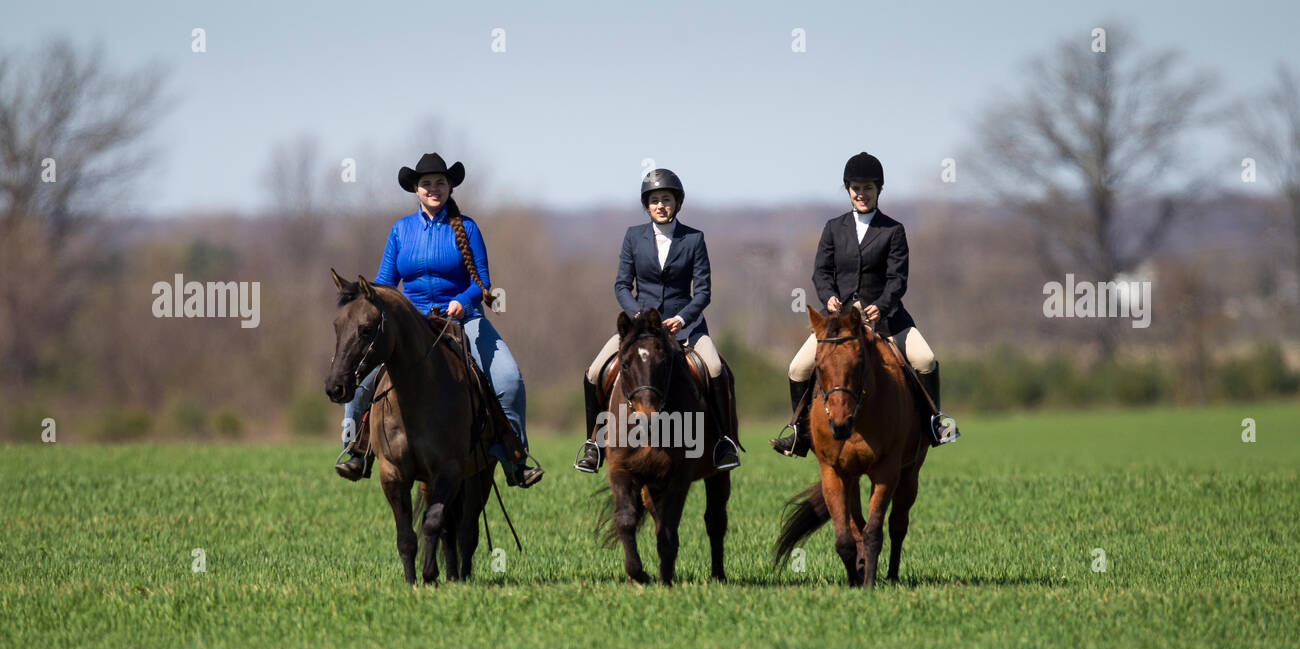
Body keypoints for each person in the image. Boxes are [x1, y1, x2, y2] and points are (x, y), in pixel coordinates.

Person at [335, 152, 542, 487]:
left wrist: (461, 301)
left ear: (449, 187)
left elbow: (482, 283)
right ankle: (355, 451)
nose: (434, 189)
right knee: (361, 376)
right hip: (410, 323)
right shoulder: (400, 230)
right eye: (426, 184)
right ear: (416, 189)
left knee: (509, 379)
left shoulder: (468, 228)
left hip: (462, 319)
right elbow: (385, 283)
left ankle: (515, 456)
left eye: (440, 183)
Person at [771, 151, 959, 456]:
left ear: (878, 191)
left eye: (868, 188)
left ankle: (935, 423)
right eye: (856, 188)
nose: (862, 194)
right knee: (797, 367)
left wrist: (881, 306)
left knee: (925, 359)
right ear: (848, 189)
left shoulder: (893, 230)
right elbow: (821, 272)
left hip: (885, 317)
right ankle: (800, 432)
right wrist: (828, 296)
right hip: (841, 319)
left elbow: (898, 279)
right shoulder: (834, 228)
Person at [574, 168, 740, 473]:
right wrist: (638, 316)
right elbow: (622, 285)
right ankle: (593, 442)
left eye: (666, 199)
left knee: (716, 368)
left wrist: (681, 318)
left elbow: (703, 291)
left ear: (676, 203)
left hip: (685, 327)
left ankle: (723, 441)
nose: (660, 205)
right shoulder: (633, 237)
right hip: (640, 329)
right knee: (595, 371)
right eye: (654, 200)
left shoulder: (694, 238)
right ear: (646, 205)